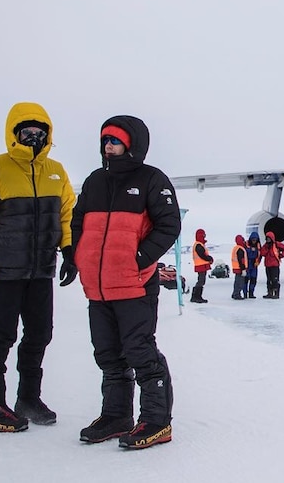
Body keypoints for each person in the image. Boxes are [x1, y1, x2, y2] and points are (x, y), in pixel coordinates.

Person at [0, 102, 75, 432]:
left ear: (48, 135)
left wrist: (70, 251)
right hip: (2, 271)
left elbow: (66, 217)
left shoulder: (56, 172)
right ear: (14, 134)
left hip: (40, 271)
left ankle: (28, 399)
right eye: (27, 132)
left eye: (40, 132)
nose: (33, 137)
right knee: (1, 336)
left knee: (39, 335)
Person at [66, 115, 181, 450]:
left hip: (134, 285)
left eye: (114, 140)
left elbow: (168, 226)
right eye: (105, 141)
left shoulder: (152, 180)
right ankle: (116, 416)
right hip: (99, 287)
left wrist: (138, 259)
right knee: (108, 355)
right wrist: (79, 257)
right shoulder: (94, 182)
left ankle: (157, 421)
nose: (108, 146)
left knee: (140, 352)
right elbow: (77, 223)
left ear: (132, 144)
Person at [260, 230, 284, 299]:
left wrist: (281, 255)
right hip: (267, 266)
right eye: (267, 238)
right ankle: (270, 293)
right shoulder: (265, 246)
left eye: (269, 238)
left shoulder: (277, 245)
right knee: (269, 280)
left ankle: (276, 293)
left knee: (275, 280)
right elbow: (262, 253)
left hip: (275, 266)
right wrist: (267, 249)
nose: (268, 240)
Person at [189, 229, 212, 303]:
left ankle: (196, 296)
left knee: (201, 281)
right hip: (201, 265)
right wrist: (209, 259)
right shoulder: (198, 245)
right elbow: (202, 255)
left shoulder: (199, 244)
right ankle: (196, 297)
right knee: (201, 281)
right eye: (204, 235)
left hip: (201, 265)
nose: (205, 236)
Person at [230, 235, 249, 300]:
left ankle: (235, 293)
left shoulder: (236, 248)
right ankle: (237, 294)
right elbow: (242, 260)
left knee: (236, 282)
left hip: (236, 268)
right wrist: (243, 269)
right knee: (240, 283)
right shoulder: (240, 249)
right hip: (240, 269)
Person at [245, 231, 262, 298]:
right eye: (253, 239)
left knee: (253, 280)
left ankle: (251, 293)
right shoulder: (246, 245)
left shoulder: (259, 247)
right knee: (245, 280)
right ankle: (245, 293)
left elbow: (260, 256)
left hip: (254, 265)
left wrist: (258, 262)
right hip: (247, 265)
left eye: (255, 240)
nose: (254, 241)